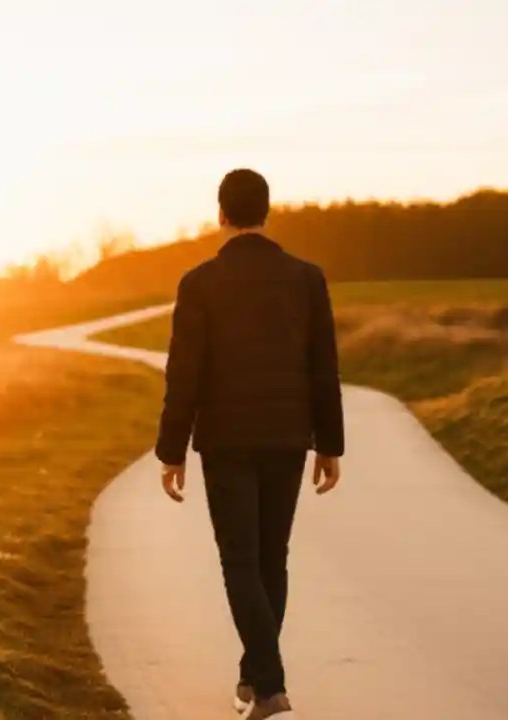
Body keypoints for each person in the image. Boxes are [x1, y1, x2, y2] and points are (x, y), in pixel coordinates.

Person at [154, 168, 345, 719]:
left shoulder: (199, 284)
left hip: (227, 443)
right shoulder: (307, 279)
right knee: (271, 559)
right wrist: (329, 444)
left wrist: (171, 451)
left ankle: (270, 686)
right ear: (267, 211)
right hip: (288, 439)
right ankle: (254, 674)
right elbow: (322, 369)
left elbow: (182, 376)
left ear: (220, 214)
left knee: (240, 560)